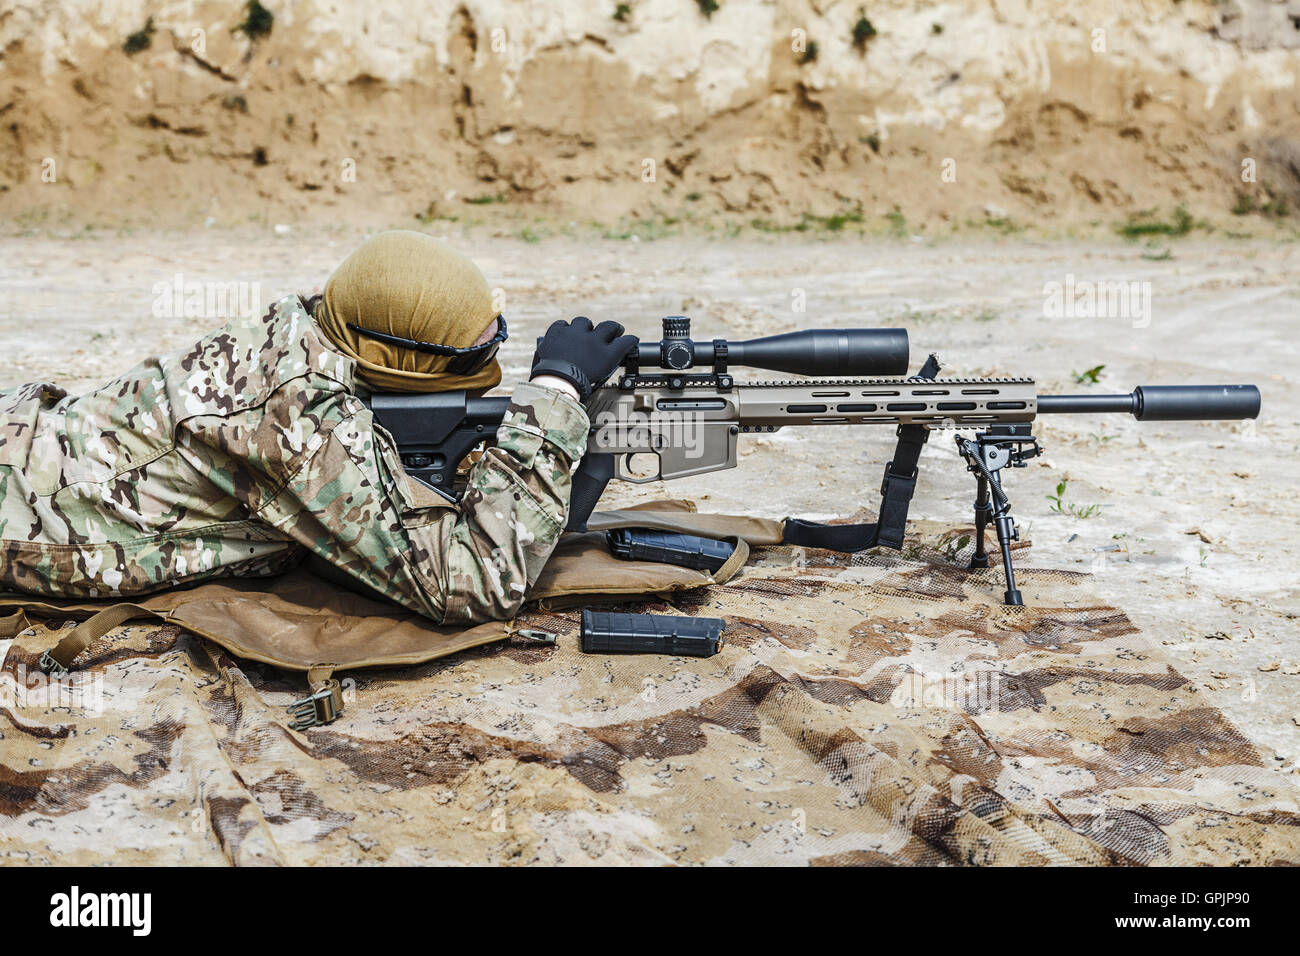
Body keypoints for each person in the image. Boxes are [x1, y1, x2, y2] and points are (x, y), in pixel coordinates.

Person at [0, 231, 635, 624]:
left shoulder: (325, 328)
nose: (489, 368)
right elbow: (471, 584)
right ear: (393, 358)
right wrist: (553, 400)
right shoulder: (297, 418)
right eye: (470, 358)